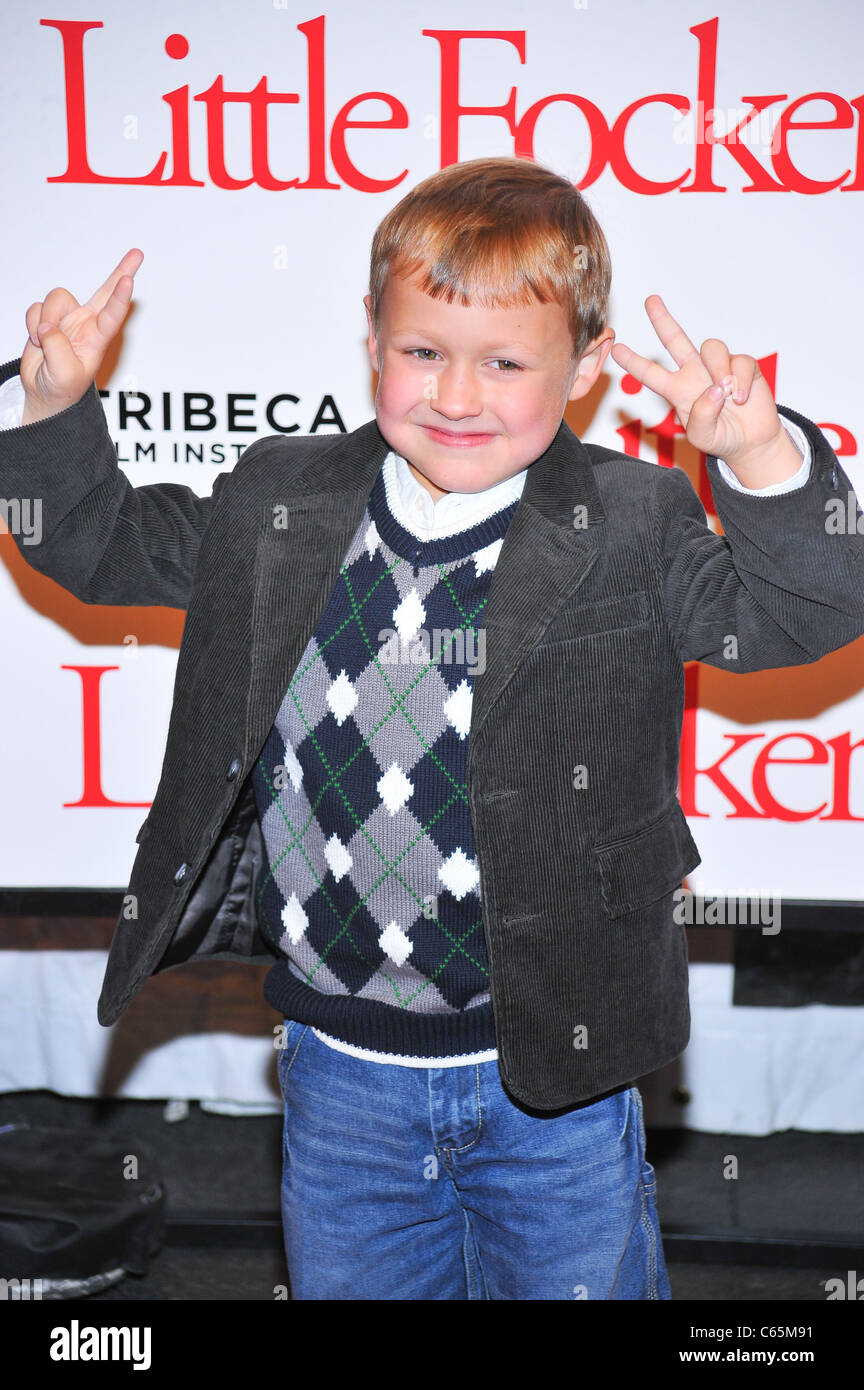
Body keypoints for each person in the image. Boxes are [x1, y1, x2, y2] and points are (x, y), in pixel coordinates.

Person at [1, 156, 862, 1301]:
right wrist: (56, 410)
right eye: (423, 352)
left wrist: (758, 457)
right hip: (338, 1075)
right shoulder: (279, 497)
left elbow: (811, 607)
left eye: (506, 362)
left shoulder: (634, 518)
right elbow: (94, 544)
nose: (458, 394)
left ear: (589, 366)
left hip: (554, 1068)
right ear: (371, 338)